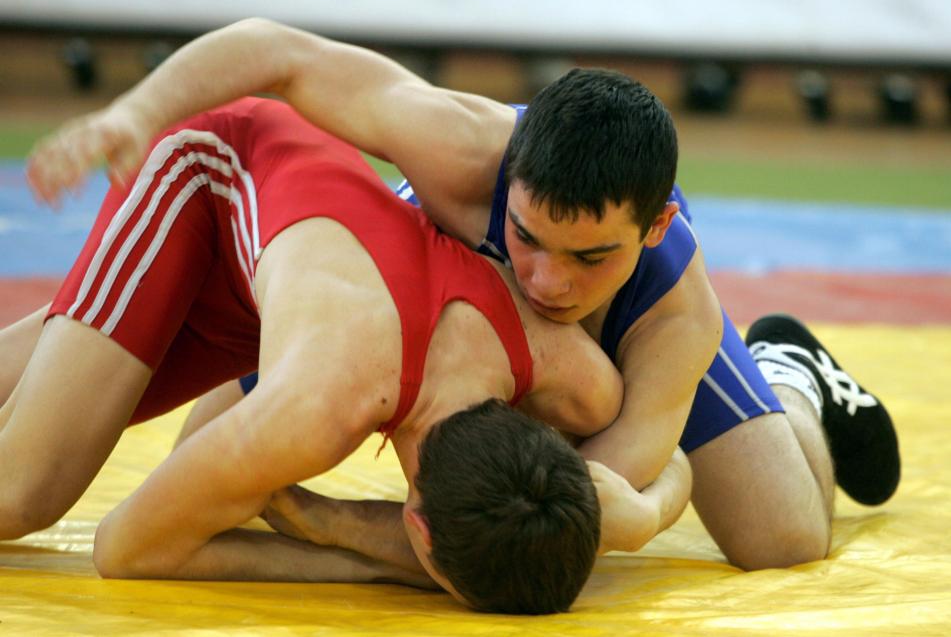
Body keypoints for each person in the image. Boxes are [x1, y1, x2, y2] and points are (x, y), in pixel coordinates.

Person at [26, 18, 899, 570]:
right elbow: (278, 54)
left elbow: (564, 524)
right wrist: (133, 114)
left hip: (601, 337)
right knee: (204, 433)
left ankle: (792, 376)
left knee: (781, 537)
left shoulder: (671, 316)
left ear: (657, 228)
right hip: (398, 289)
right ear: (505, 181)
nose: (549, 282)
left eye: (589, 256)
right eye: (524, 239)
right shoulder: (457, 148)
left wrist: (336, 525)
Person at [1, 96, 697, 614]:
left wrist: (645, 513)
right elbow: (123, 548)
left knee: (55, 396)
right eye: (421, 568)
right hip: (210, 180)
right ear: (415, 525)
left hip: (295, 268)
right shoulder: (316, 407)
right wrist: (359, 559)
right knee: (22, 493)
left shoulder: (574, 377)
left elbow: (672, 459)